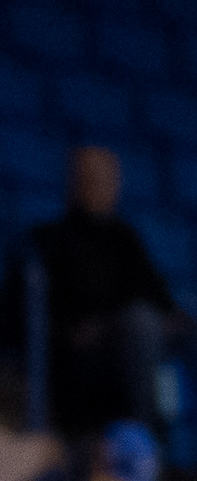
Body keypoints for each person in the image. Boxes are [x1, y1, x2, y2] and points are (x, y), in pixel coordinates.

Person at [2, 147, 178, 440]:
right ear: (74, 182)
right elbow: (18, 317)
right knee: (141, 325)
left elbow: (158, 299)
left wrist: (172, 319)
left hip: (126, 348)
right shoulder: (45, 241)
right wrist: (72, 333)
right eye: (92, 178)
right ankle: (144, 441)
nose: (102, 186)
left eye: (109, 179)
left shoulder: (127, 240)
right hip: (71, 361)